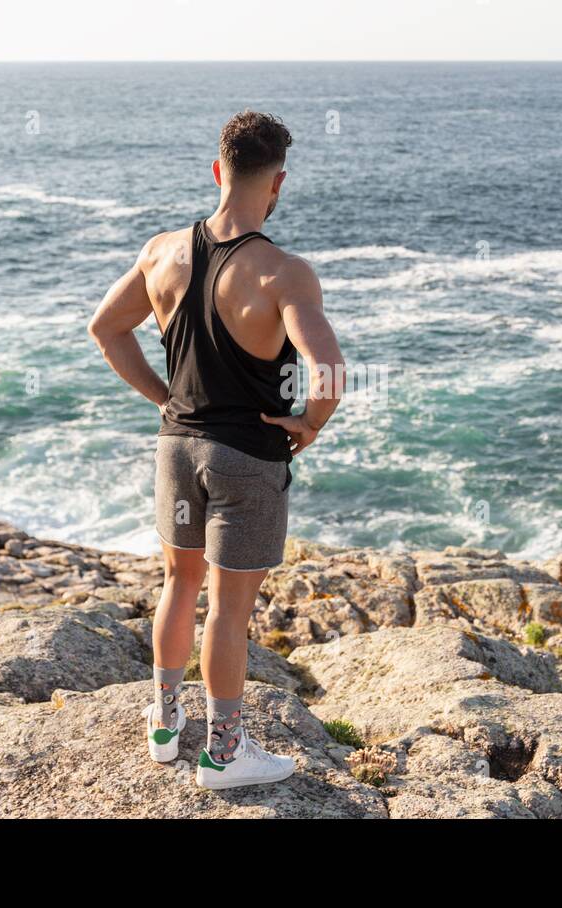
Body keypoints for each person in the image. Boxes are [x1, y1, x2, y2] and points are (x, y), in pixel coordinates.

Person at [88, 110, 344, 789]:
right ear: (279, 184)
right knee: (230, 611)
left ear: (216, 171)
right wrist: (310, 422)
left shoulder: (161, 252)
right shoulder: (283, 274)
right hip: (246, 459)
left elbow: (105, 329)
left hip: (177, 448)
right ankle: (225, 753)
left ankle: (165, 726)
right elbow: (329, 372)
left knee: (178, 583)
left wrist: (163, 397)